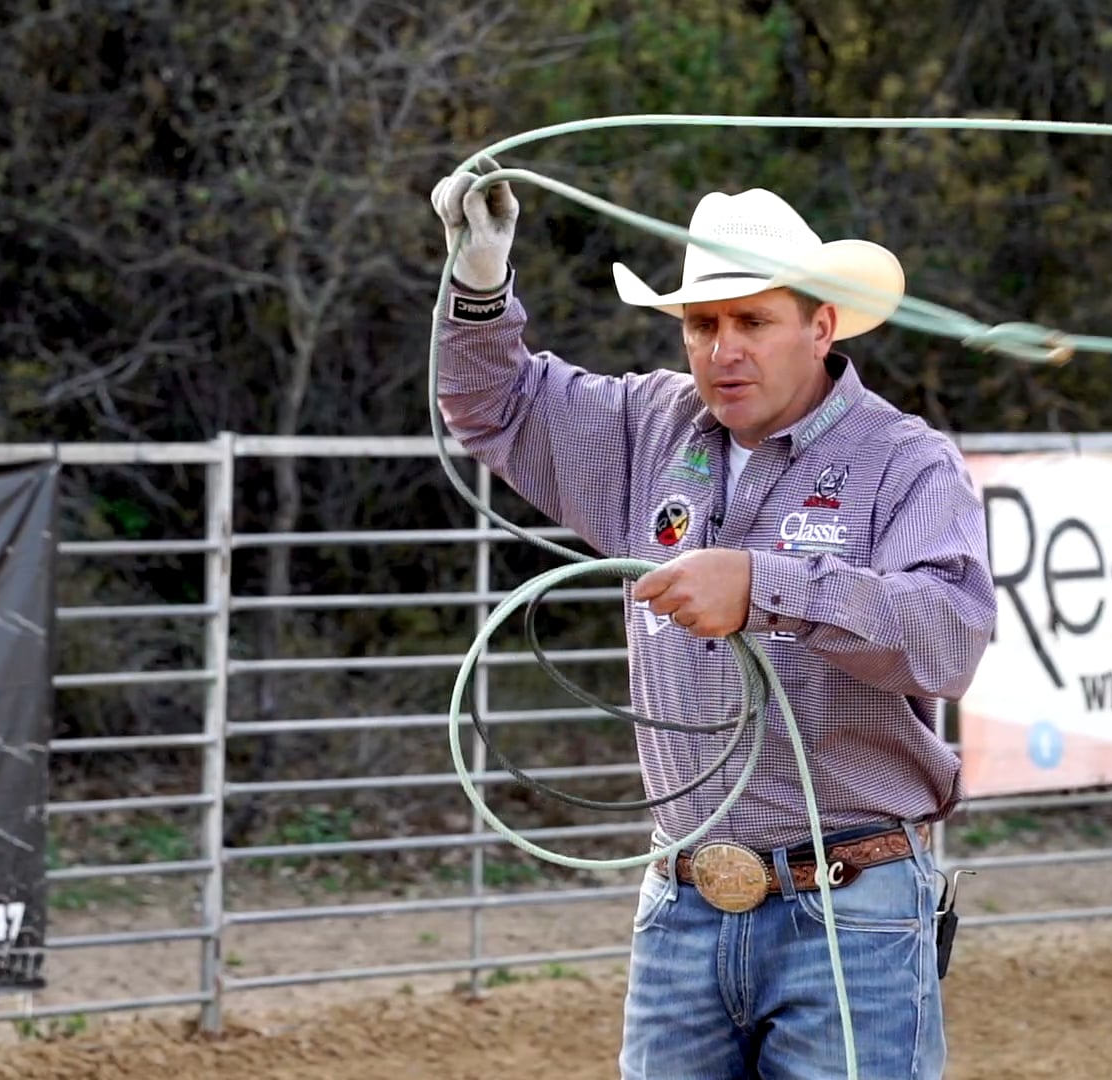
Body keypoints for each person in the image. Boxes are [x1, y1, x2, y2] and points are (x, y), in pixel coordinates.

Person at [428, 161, 998, 1080]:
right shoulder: (648, 426)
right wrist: (481, 286)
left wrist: (769, 585)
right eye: (702, 325)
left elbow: (949, 636)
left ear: (819, 325)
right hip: (685, 899)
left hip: (849, 908)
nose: (723, 350)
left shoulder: (904, 462)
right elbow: (495, 404)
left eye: (752, 322)